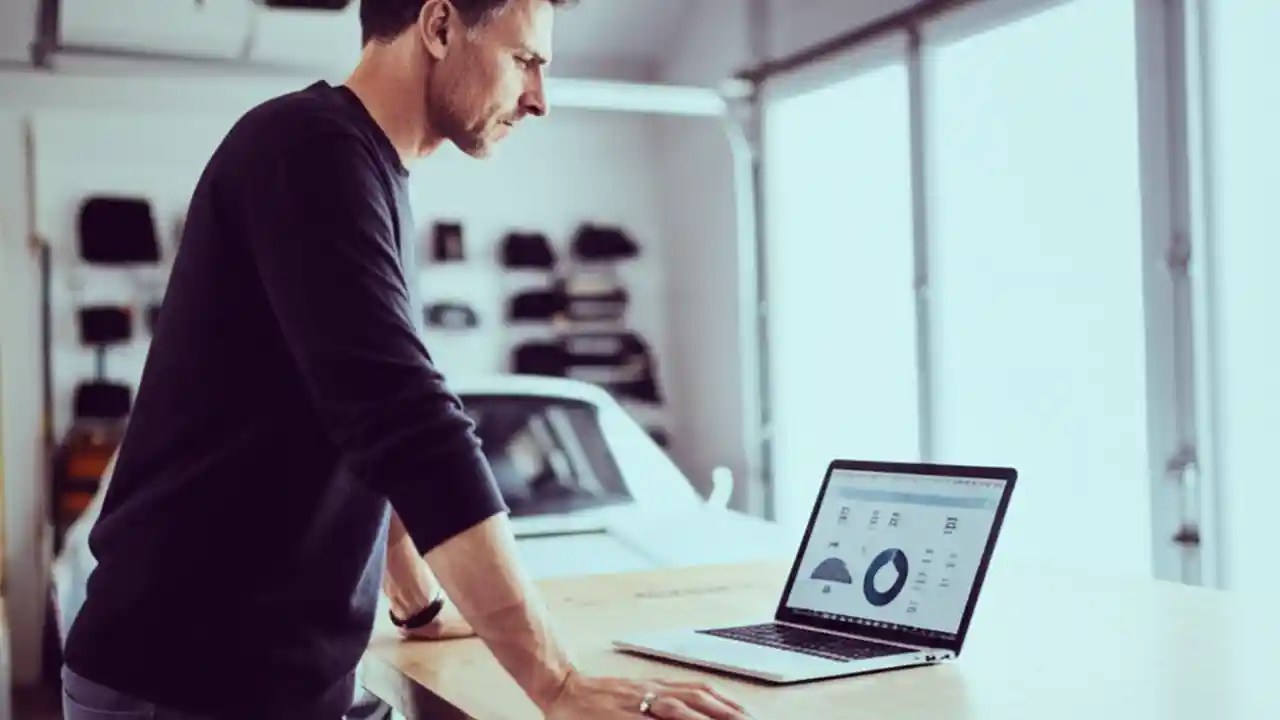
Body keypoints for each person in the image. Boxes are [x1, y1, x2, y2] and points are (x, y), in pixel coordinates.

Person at [60, 1, 754, 718]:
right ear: (440, 26)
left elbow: (357, 424)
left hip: (271, 682)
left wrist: (418, 604)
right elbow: (406, 421)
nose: (539, 99)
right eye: (525, 61)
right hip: (186, 683)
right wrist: (559, 685)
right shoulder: (309, 149)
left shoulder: (359, 167)